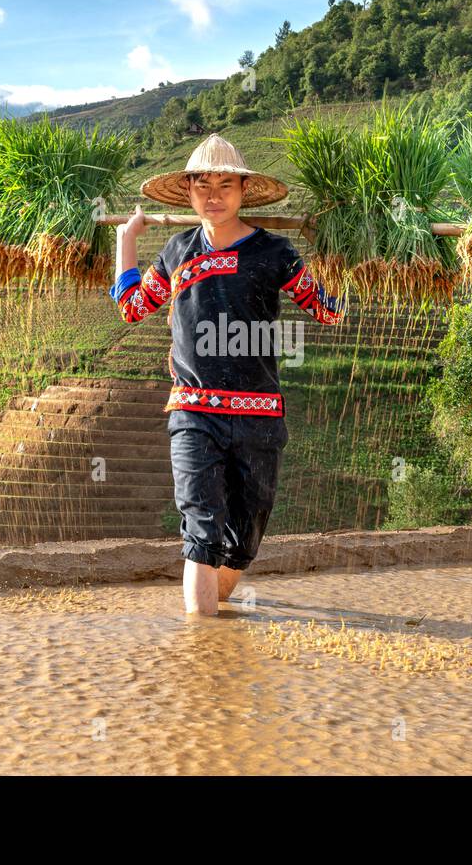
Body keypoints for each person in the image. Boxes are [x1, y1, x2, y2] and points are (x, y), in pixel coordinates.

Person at [110, 133, 347, 617]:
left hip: (260, 418)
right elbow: (134, 309)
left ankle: (212, 621)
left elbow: (328, 312)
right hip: (194, 413)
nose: (213, 195)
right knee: (201, 528)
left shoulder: (275, 253)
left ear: (243, 192)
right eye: (203, 185)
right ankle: (201, 650)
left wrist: (344, 246)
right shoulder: (177, 251)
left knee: (244, 535)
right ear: (189, 192)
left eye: (225, 185)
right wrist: (127, 240)